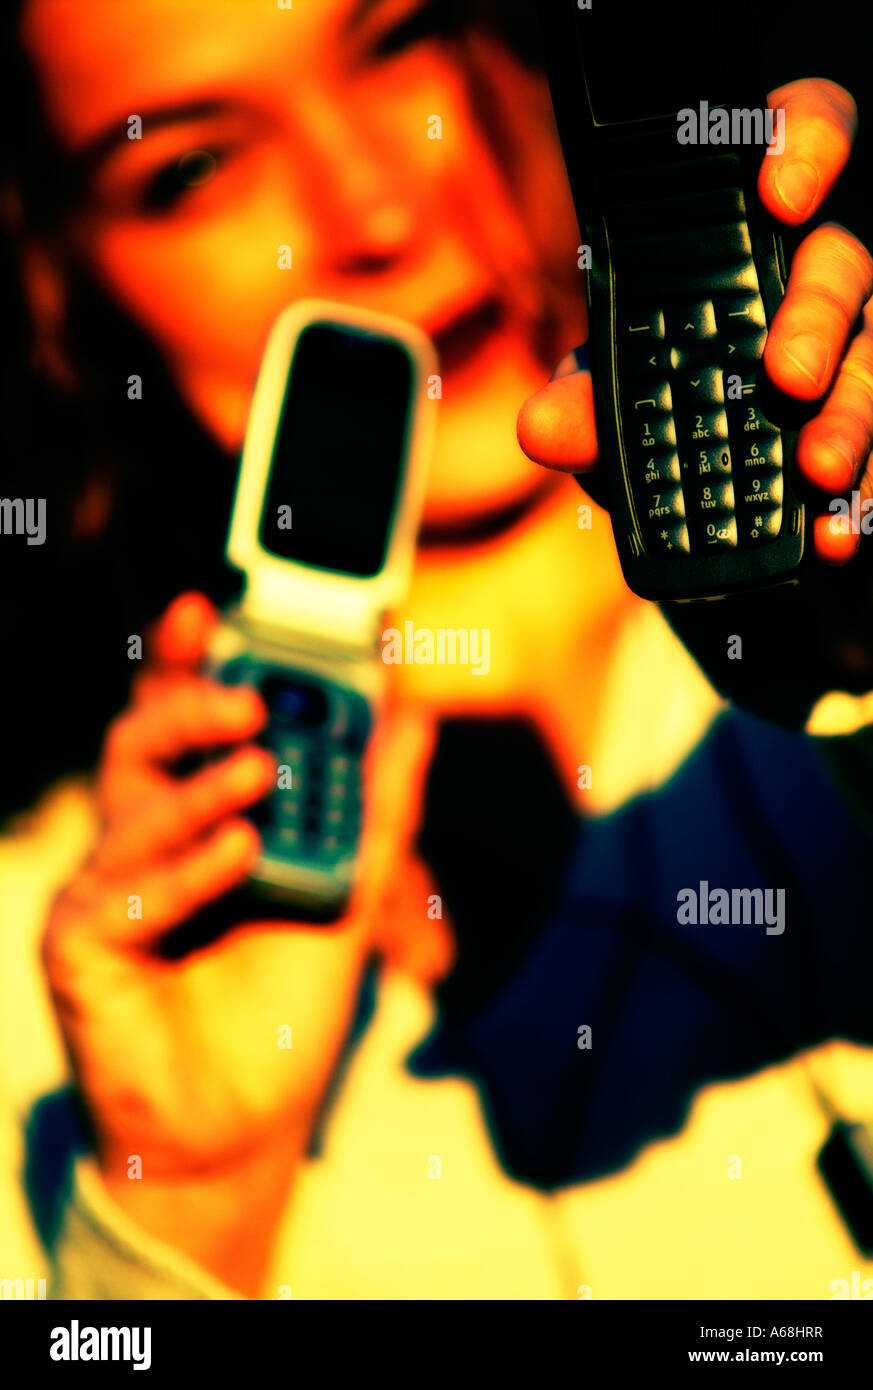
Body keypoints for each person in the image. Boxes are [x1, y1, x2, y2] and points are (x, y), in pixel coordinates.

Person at [2, 0, 873, 1300]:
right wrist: (182, 1217)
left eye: (399, 40)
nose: (370, 208)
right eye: (189, 166)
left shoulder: (842, 682)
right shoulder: (58, 992)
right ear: (56, 286)